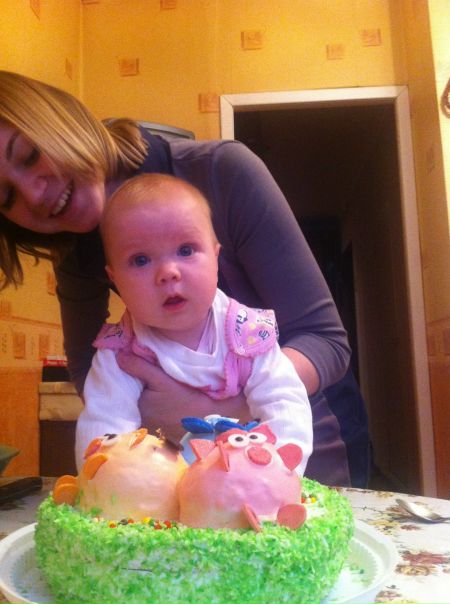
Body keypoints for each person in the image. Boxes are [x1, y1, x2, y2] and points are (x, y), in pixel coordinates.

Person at [0, 70, 369, 487]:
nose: (34, 194)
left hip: (303, 451)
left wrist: (204, 408)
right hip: (183, 471)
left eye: (29, 155)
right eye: (6, 196)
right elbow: (90, 369)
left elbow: (325, 341)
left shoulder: (222, 173)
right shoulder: (75, 250)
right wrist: (129, 423)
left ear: (63, 120)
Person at [75, 174, 313, 472]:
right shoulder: (120, 353)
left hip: (239, 474)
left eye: (186, 250)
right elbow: (104, 429)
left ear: (215, 257)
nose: (168, 272)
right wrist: (112, 479)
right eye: (140, 260)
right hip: (158, 483)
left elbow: (285, 405)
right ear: (115, 279)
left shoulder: (246, 334)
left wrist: (275, 471)